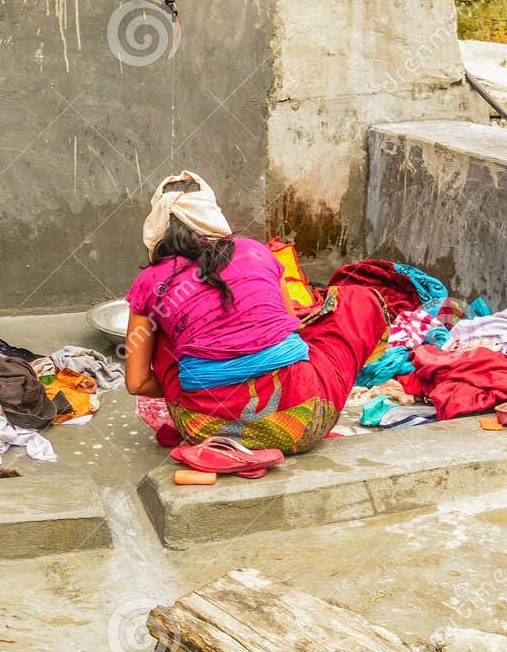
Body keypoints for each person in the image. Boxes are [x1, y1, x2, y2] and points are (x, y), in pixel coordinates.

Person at [123, 172, 392, 456]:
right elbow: (294, 329)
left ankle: (223, 423)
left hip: (204, 430)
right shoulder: (257, 252)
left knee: (161, 331)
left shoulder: (150, 282)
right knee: (357, 300)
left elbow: (136, 382)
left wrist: (210, 377)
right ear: (214, 218)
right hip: (304, 423)